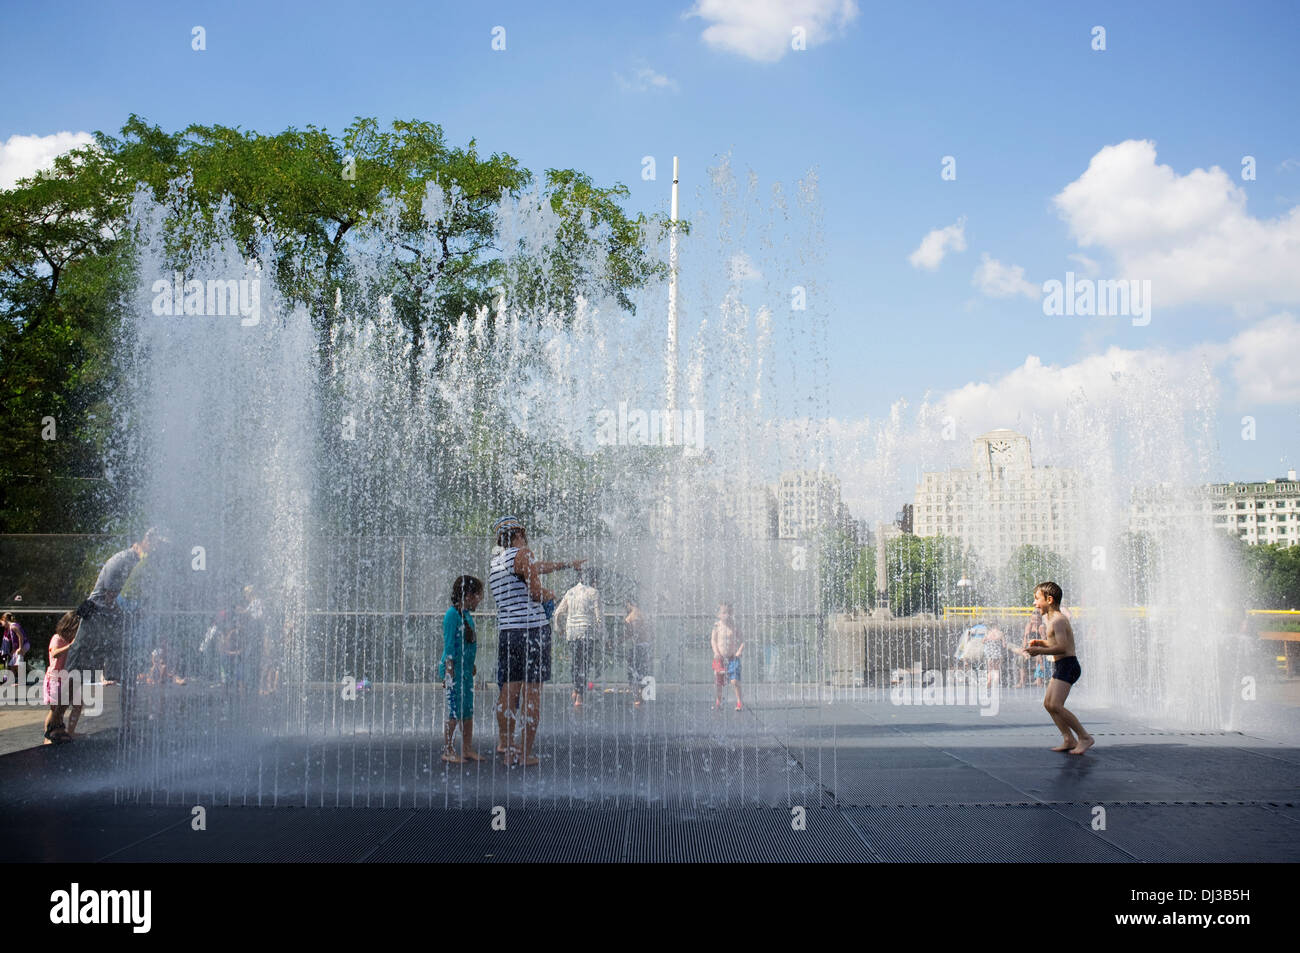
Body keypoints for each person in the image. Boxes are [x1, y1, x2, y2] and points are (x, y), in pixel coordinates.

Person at [487, 516, 584, 766]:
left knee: (508, 691)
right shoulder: (524, 554)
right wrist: (552, 594)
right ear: (520, 532)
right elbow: (536, 592)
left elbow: (536, 567)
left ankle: (506, 746)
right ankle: (525, 753)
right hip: (532, 632)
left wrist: (566, 564)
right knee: (532, 694)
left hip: (508, 633)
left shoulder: (497, 562)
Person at [65, 528, 167, 688]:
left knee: (118, 655)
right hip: (96, 613)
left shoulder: (137, 561)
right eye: (155, 543)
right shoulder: (123, 559)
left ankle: (117, 684)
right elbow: (109, 596)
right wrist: (129, 615)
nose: (156, 548)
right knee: (79, 659)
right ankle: (66, 692)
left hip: (107, 613)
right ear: (144, 541)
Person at [1023, 581, 1094, 755]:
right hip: (1062, 665)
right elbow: (1057, 643)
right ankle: (1068, 739)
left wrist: (1039, 650)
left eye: (1036, 599)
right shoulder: (1052, 620)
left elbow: (1063, 647)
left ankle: (1084, 737)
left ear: (1049, 599)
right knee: (1048, 704)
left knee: (1056, 704)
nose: (1034, 603)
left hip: (1068, 665)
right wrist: (1042, 642)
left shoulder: (1059, 621)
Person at [442, 575, 484, 763]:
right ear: (467, 595)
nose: (480, 599)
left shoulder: (466, 615)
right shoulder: (452, 615)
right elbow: (450, 645)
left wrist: (471, 665)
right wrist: (449, 673)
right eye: (478, 595)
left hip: (465, 671)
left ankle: (467, 749)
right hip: (454, 671)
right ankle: (448, 750)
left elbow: (468, 643)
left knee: (467, 711)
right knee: (454, 712)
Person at [554, 570, 605, 708]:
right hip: (587, 633)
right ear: (593, 580)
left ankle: (575, 690)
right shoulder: (594, 592)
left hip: (572, 633)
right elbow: (598, 617)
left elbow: (558, 613)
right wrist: (601, 635)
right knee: (584, 664)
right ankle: (579, 697)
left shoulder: (570, 592)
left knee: (576, 663)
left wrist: (559, 629)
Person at [43, 611, 80, 744]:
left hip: (65, 679)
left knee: (78, 704)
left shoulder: (69, 640)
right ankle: (48, 737)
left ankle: (70, 731)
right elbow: (55, 654)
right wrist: (70, 646)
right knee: (54, 711)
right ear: (69, 626)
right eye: (76, 629)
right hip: (54, 679)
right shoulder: (57, 638)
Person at [710, 602, 745, 712]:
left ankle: (739, 702)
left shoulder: (734, 625)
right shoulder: (717, 626)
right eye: (724, 612)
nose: (727, 615)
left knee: (734, 681)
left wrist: (739, 651)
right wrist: (715, 652)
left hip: (732, 657)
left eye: (729, 612)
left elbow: (743, 640)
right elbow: (713, 640)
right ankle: (719, 701)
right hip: (719, 657)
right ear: (718, 615)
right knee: (718, 682)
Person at [624, 600, 653, 708]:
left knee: (633, 673)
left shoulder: (631, 617)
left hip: (637, 647)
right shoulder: (644, 615)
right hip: (646, 646)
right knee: (643, 671)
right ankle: (644, 696)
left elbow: (630, 634)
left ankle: (637, 699)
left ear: (629, 603)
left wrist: (615, 642)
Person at [1, 613, 30, 684]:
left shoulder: (13, 626)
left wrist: (20, 648)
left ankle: (21, 681)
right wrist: (14, 649)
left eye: (1, 622)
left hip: (24, 645)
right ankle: (12, 681)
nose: (2, 625)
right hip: (19, 647)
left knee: (18, 663)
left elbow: (20, 636)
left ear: (5, 620)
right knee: (12, 664)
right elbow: (14, 640)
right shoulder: (11, 627)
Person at [982, 623, 1005, 690]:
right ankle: (996, 682)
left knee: (990, 669)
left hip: (989, 654)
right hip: (997, 654)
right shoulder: (1000, 633)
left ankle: (989, 681)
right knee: (996, 669)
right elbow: (1004, 645)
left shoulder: (988, 633)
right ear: (997, 626)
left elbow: (983, 641)